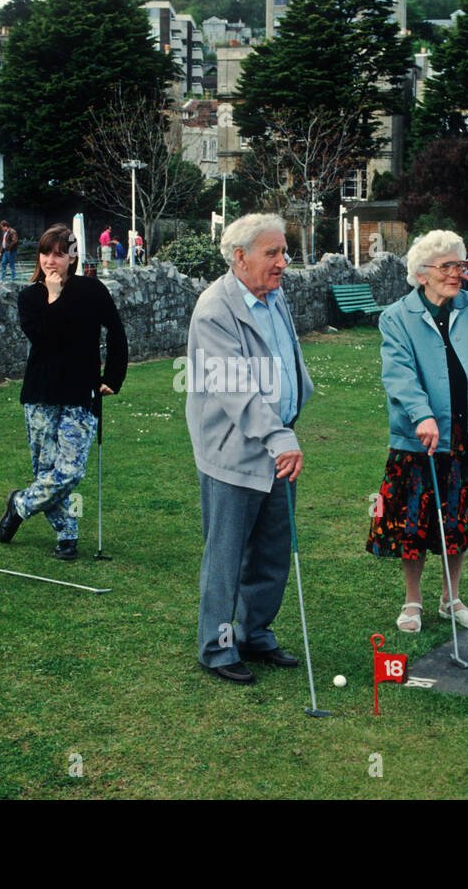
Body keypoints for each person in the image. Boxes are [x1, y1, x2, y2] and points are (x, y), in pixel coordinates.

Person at [368, 230, 468, 634]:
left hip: (467, 434)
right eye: (447, 267)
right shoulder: (397, 317)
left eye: (460, 265)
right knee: (413, 520)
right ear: (422, 274)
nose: (457, 273)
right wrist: (422, 416)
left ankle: (450, 598)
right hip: (419, 438)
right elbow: (399, 373)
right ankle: (412, 601)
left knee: (457, 519)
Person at [186, 213, 313, 686]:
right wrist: (280, 435)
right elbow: (235, 388)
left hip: (278, 444)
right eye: (272, 253)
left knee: (272, 551)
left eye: (284, 252)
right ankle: (217, 649)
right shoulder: (214, 309)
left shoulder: (274, 295)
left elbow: (284, 359)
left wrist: (297, 401)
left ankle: (254, 633)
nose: (283, 262)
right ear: (240, 257)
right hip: (234, 453)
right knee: (226, 555)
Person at [0, 223, 128, 560]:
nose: (50, 261)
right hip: (42, 392)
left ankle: (20, 504)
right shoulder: (29, 297)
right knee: (47, 469)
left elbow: (116, 332)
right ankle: (67, 535)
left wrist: (113, 376)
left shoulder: (92, 290)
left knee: (70, 470)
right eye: (45, 253)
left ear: (72, 257)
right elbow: (44, 339)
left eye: (58, 254)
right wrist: (53, 297)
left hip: (82, 391)